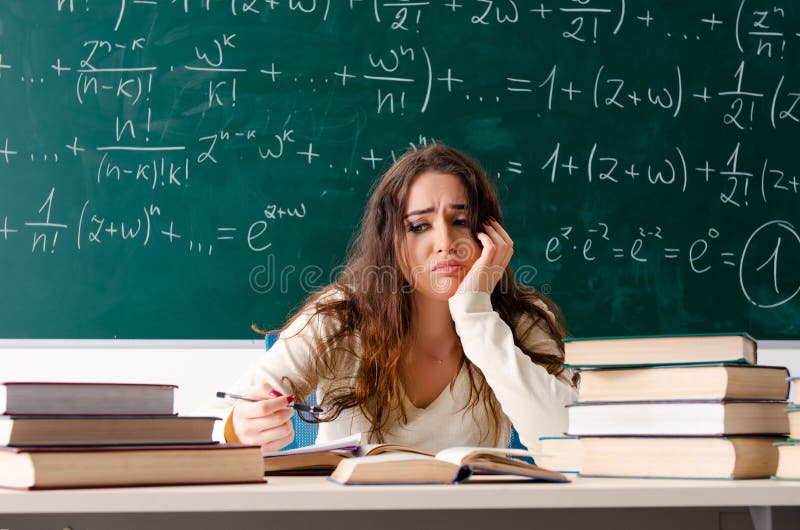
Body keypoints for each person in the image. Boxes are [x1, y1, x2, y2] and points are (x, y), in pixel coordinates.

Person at [209, 143, 578, 453]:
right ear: (391, 241)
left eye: (460, 222)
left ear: (488, 233)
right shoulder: (339, 315)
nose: (445, 243)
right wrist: (237, 427)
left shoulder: (520, 318)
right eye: (419, 226)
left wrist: (475, 316)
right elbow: (215, 418)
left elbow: (568, 441)